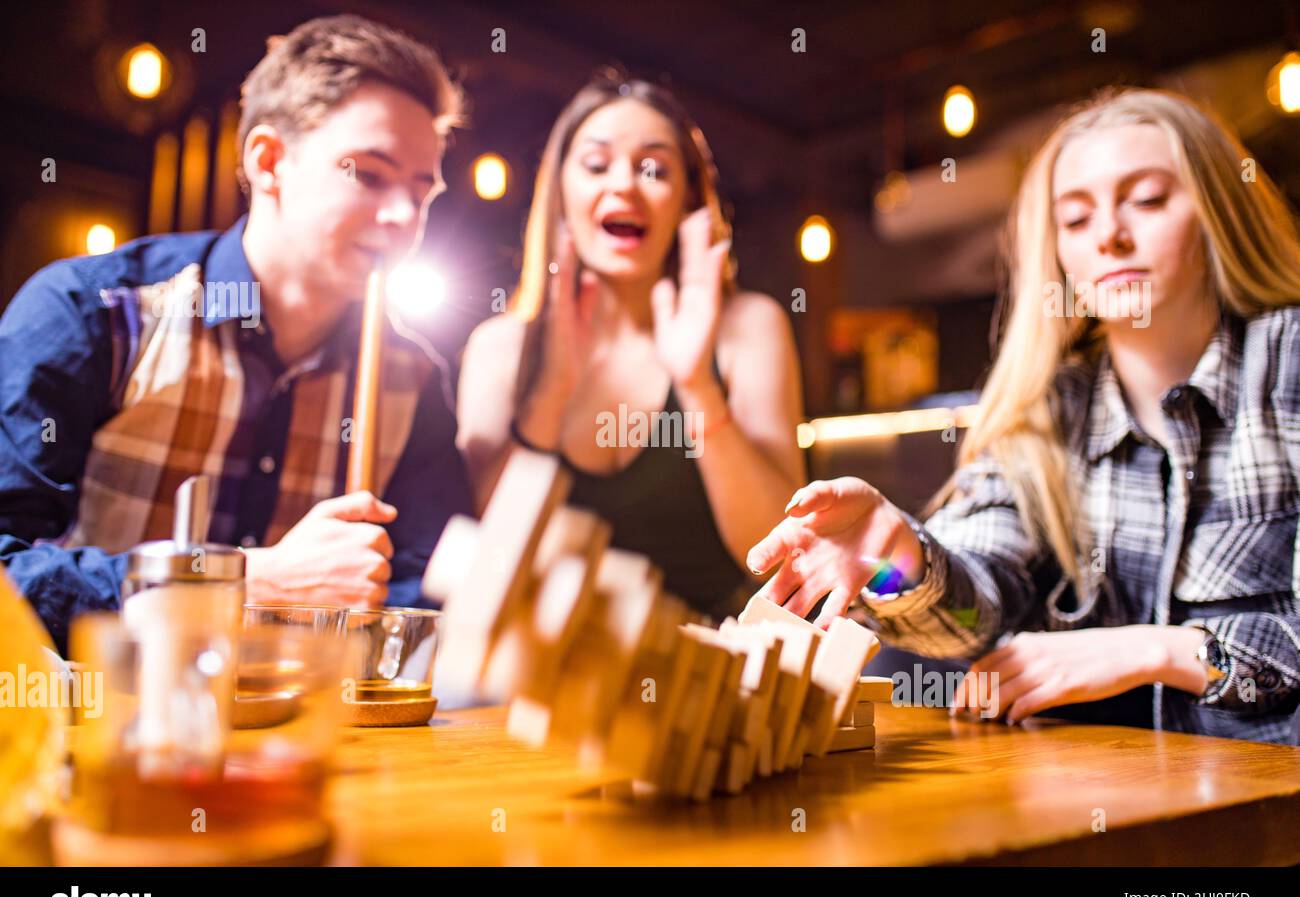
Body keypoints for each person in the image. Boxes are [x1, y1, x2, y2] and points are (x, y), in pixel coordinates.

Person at [747, 87, 1300, 744]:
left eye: (1147, 200)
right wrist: (899, 557)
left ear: (1217, 214)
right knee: (902, 665)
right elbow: (968, 608)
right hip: (1131, 812)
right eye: (1075, 219)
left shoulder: (1287, 360)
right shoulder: (1050, 409)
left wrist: (1161, 651)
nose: (1110, 236)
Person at [0, 15, 474, 653]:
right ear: (270, 160)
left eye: (421, 194)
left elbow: (422, 602)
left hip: (301, 745)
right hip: (90, 737)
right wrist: (238, 583)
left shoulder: (414, 381)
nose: (400, 218)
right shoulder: (95, 312)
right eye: (368, 174)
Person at [457, 72, 805, 621]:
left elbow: (773, 553)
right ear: (561, 192)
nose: (624, 184)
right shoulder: (498, 349)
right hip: (539, 685)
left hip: (707, 680)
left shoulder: (748, 328)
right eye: (596, 165)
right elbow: (486, 562)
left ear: (687, 198)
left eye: (654, 168)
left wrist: (697, 387)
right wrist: (549, 391)